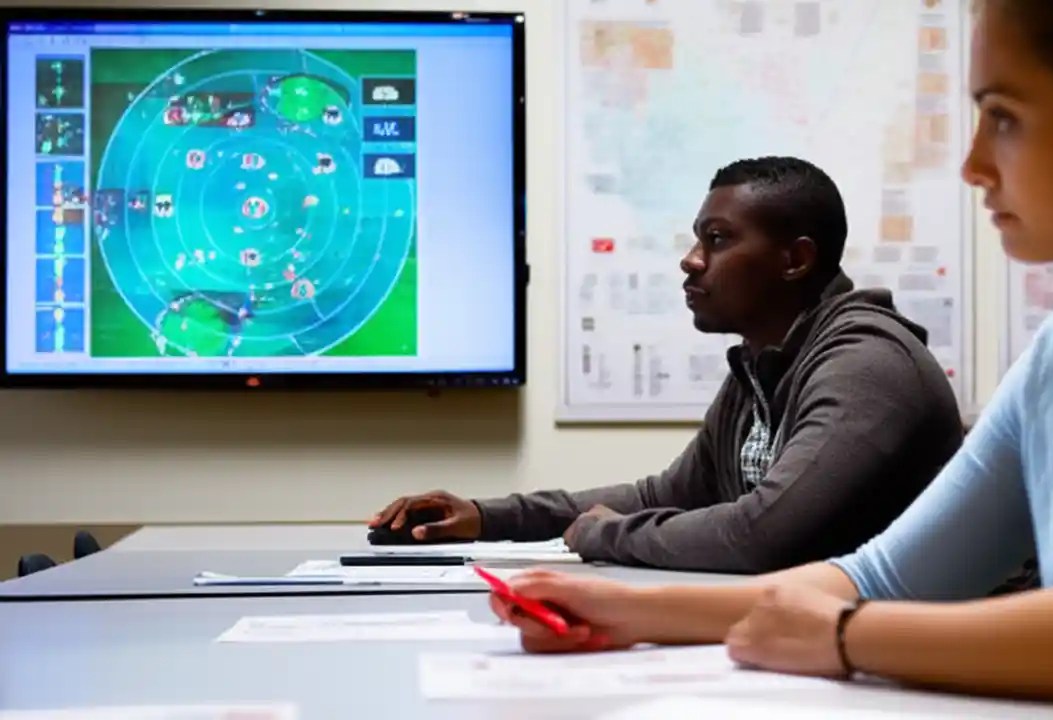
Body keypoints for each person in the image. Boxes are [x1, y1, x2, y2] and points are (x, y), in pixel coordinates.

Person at [488, 2, 1053, 718]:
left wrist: (843, 636)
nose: (972, 164)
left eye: (1001, 118)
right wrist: (618, 611)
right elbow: (880, 577)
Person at [371, 156, 965, 574]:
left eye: (718, 239)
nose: (691, 260)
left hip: (935, 671)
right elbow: (672, 493)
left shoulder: (865, 364)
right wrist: (485, 517)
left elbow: (764, 534)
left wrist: (607, 537)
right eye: (697, 239)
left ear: (794, 260)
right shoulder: (765, 364)